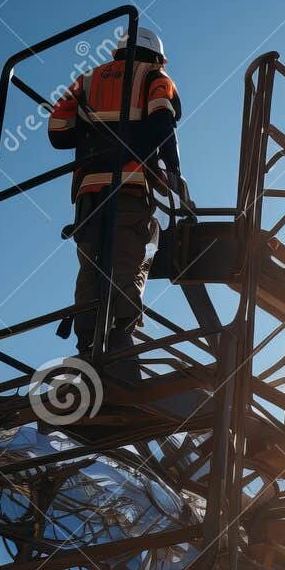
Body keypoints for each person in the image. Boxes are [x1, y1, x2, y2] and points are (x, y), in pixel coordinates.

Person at [47, 26, 187, 358]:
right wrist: (174, 171)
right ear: (155, 56)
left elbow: (57, 132)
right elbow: (163, 122)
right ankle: (121, 340)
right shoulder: (153, 76)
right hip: (128, 187)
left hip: (89, 194)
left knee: (92, 265)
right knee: (128, 257)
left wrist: (97, 134)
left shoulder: (86, 79)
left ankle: (87, 342)